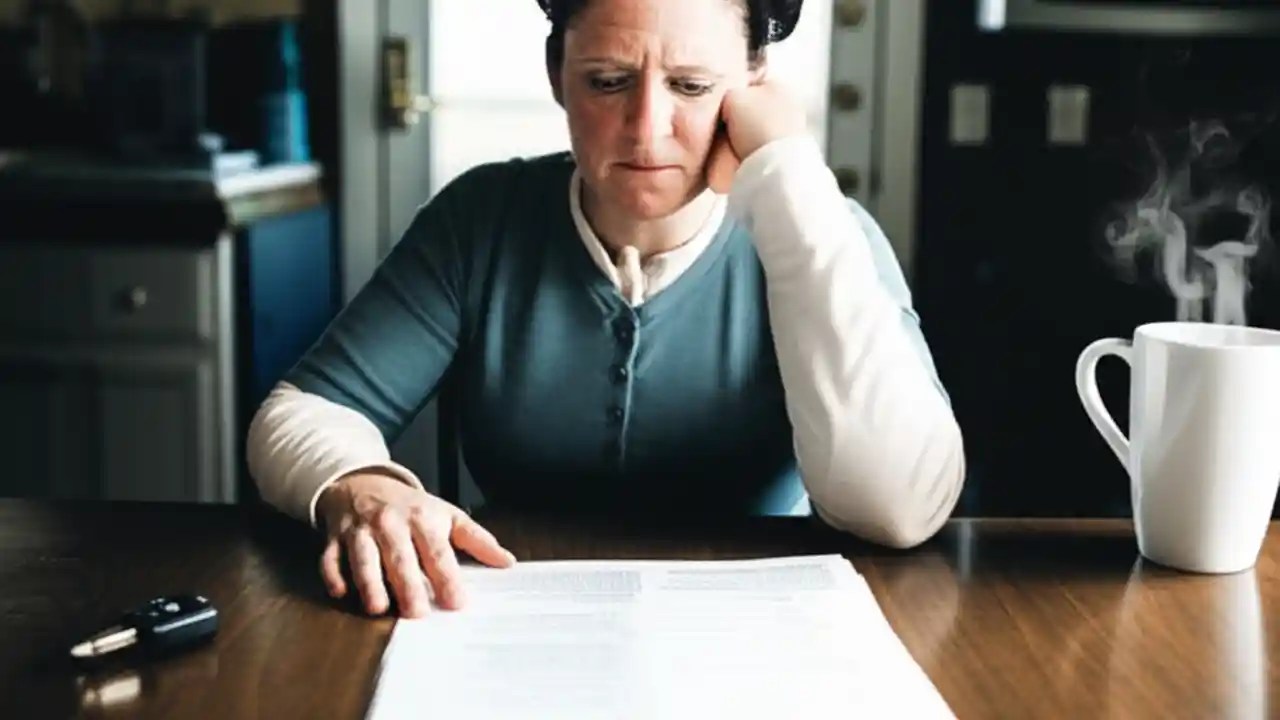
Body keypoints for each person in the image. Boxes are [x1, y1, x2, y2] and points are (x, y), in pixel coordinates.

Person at [247, 0, 966, 619]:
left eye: (691, 85)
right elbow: (302, 410)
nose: (646, 127)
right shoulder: (481, 220)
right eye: (608, 81)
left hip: (754, 631)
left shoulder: (826, 231)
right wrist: (360, 485)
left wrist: (786, 176)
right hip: (509, 618)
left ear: (754, 84)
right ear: (558, 75)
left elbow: (900, 506)